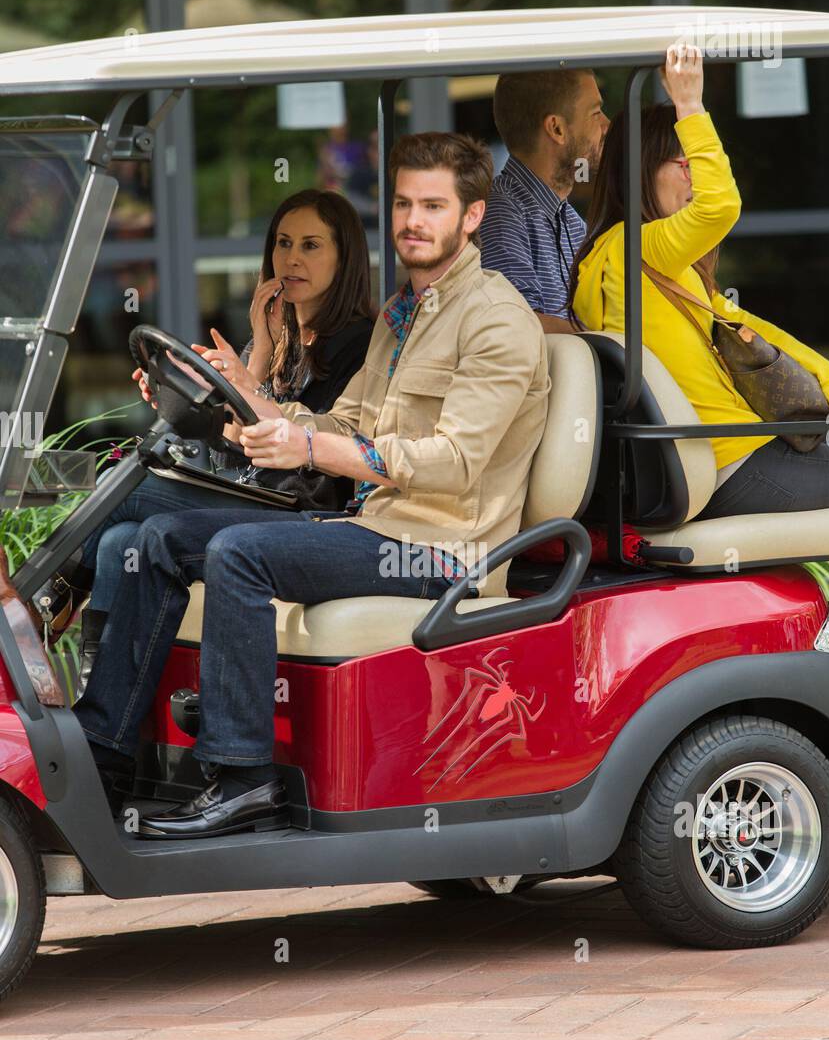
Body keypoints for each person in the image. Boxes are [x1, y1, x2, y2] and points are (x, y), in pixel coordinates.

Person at [73, 131, 550, 838]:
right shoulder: (405, 314)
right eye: (402, 204)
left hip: (442, 549)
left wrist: (309, 444)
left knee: (239, 552)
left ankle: (242, 780)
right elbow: (338, 421)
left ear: (472, 217)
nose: (413, 221)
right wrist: (240, 406)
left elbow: (453, 462)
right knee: (160, 535)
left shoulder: (497, 320)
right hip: (373, 524)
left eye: (433, 206)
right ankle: (102, 756)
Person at [46, 190, 375, 691]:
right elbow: (232, 438)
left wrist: (248, 380)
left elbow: (312, 449)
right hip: (247, 489)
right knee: (118, 542)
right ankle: (102, 700)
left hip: (301, 508)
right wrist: (192, 392)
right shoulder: (275, 333)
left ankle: (47, 598)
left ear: (343, 257)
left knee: (126, 485)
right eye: (283, 243)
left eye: (311, 246)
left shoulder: (361, 343)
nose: (291, 258)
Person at [571, 44, 829, 517]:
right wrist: (690, 104)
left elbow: (758, 330)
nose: (694, 178)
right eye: (683, 164)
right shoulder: (635, 250)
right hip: (734, 464)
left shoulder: (645, 261)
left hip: (733, 458)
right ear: (643, 170)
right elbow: (720, 206)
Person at [479, 68, 609, 333]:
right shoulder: (501, 214)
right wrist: (608, 336)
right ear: (557, 129)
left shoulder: (572, 222)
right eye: (595, 113)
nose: (606, 125)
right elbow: (516, 323)